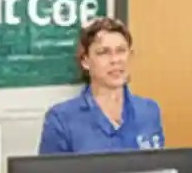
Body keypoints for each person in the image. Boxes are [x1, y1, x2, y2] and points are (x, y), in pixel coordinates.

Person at [38, 17, 165, 155]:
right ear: (85, 61)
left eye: (121, 51)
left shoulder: (149, 111)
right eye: (103, 52)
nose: (115, 60)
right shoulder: (61, 119)